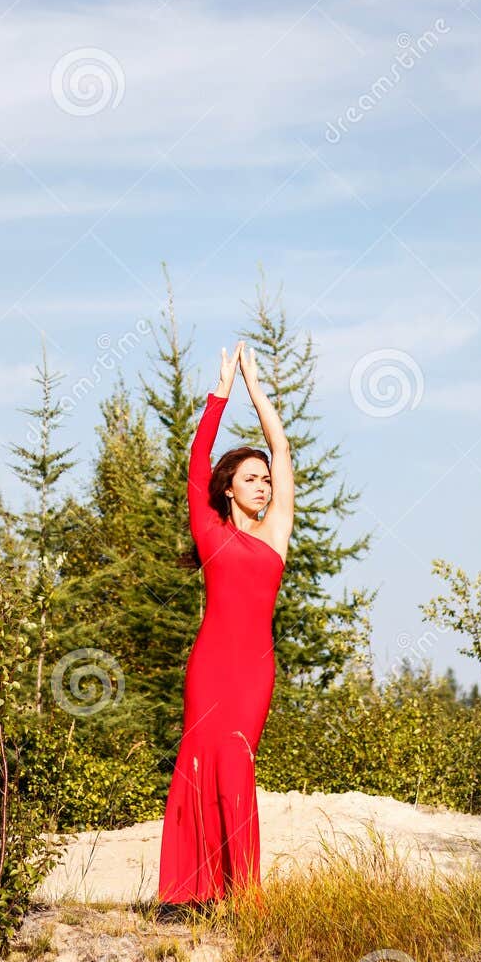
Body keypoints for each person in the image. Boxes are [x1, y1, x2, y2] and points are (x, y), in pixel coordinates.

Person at [157, 339, 293, 911]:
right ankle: (187, 895)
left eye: (266, 479)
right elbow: (195, 462)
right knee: (197, 761)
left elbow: (282, 449)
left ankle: (243, 897)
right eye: (252, 478)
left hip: (253, 672)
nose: (263, 485)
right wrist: (221, 390)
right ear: (229, 487)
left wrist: (256, 387)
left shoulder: (275, 532)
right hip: (209, 666)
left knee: (236, 763)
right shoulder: (211, 533)